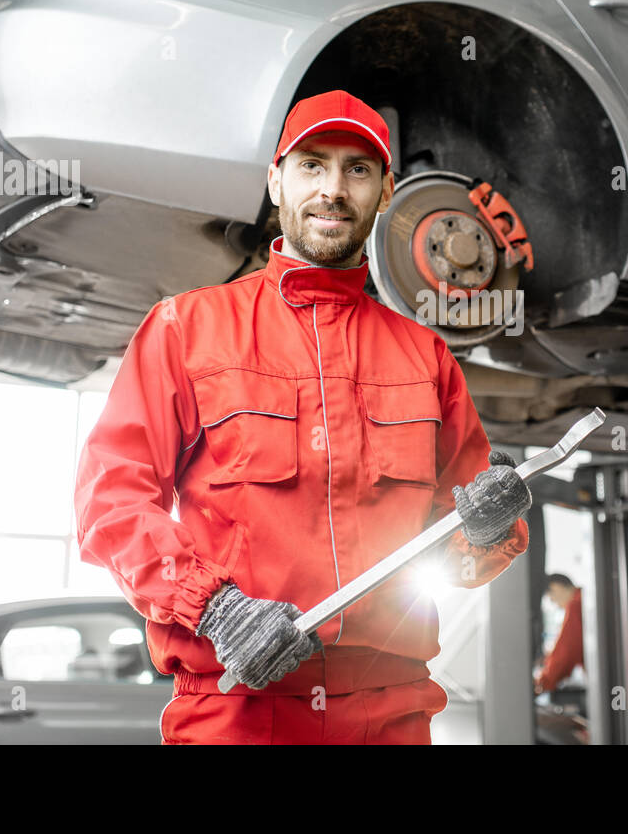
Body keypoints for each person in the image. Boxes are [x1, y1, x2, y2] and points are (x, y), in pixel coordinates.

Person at [73, 89, 532, 744]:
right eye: (312, 165)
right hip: (238, 710)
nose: (333, 189)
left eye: (358, 169)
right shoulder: (187, 328)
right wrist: (216, 608)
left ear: (386, 191)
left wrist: (488, 531)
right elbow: (109, 501)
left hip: (392, 714)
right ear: (275, 179)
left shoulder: (426, 356)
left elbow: (457, 545)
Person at [535, 574, 583, 695]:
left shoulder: (576, 605)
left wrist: (543, 681)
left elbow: (566, 650)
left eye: (551, 596)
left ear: (556, 586)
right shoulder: (585, 599)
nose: (553, 602)